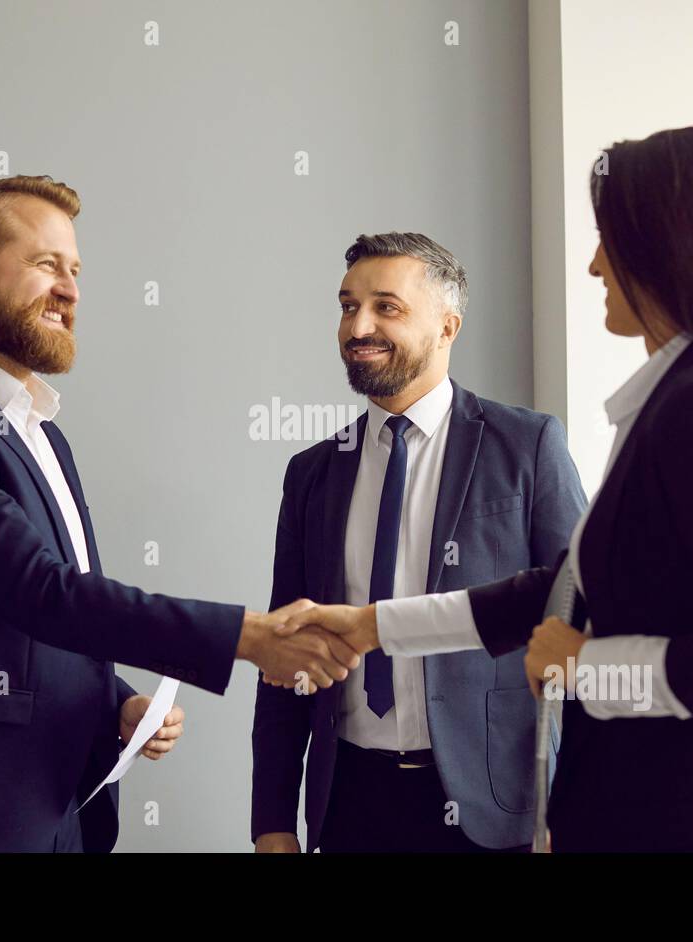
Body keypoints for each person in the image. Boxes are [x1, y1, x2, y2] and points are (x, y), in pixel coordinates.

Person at [276, 127, 693, 853]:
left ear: (665, 248)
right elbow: (561, 590)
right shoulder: (679, 401)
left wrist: (583, 668)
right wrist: (374, 627)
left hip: (692, 824)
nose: (592, 263)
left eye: (609, 238)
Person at [0, 175, 358, 852]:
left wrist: (112, 701)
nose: (71, 290)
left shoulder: (42, 432)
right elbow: (40, 590)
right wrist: (249, 635)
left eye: (76, 270)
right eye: (44, 265)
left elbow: (35, 621)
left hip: (58, 805)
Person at [252, 234, 585, 853]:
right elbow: (284, 650)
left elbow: (581, 618)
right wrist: (272, 822)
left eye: (387, 307)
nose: (360, 326)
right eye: (348, 306)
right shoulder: (314, 473)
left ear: (448, 325)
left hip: (496, 811)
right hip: (349, 804)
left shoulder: (529, 446)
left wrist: (572, 814)